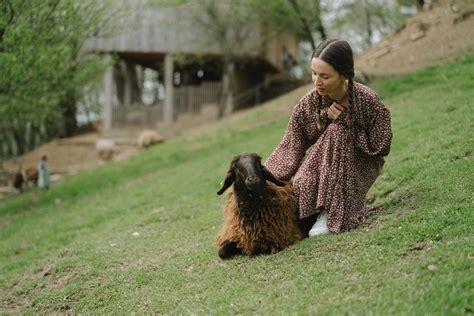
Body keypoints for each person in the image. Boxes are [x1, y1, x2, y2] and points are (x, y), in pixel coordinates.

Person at [265, 39, 392, 237]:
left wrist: (345, 121)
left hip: (361, 163)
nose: (316, 82)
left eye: (325, 76)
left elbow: (381, 146)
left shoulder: (368, 100)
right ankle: (314, 211)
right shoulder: (307, 104)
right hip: (322, 165)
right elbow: (291, 145)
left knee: (339, 130)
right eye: (314, 73)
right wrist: (265, 176)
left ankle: (332, 212)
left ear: (344, 75)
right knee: (302, 184)